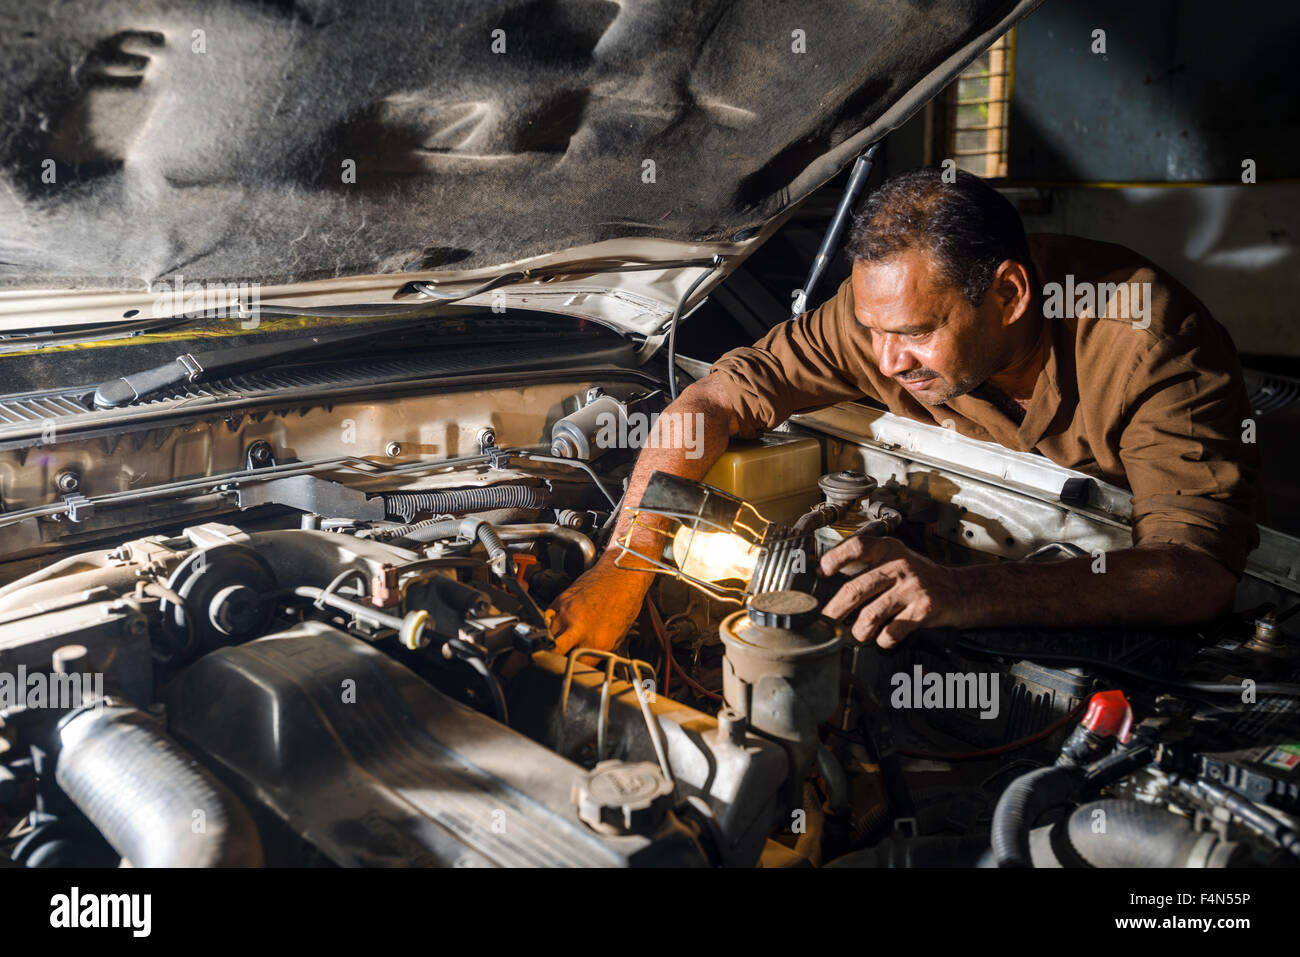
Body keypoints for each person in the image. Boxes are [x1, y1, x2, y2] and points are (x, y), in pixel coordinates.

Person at [548, 167, 1262, 654]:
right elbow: (710, 399)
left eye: (919, 333)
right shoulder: (879, 317)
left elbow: (1195, 569)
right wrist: (624, 562)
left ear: (1011, 296)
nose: (887, 361)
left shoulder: (1151, 342)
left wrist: (963, 592)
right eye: (875, 330)